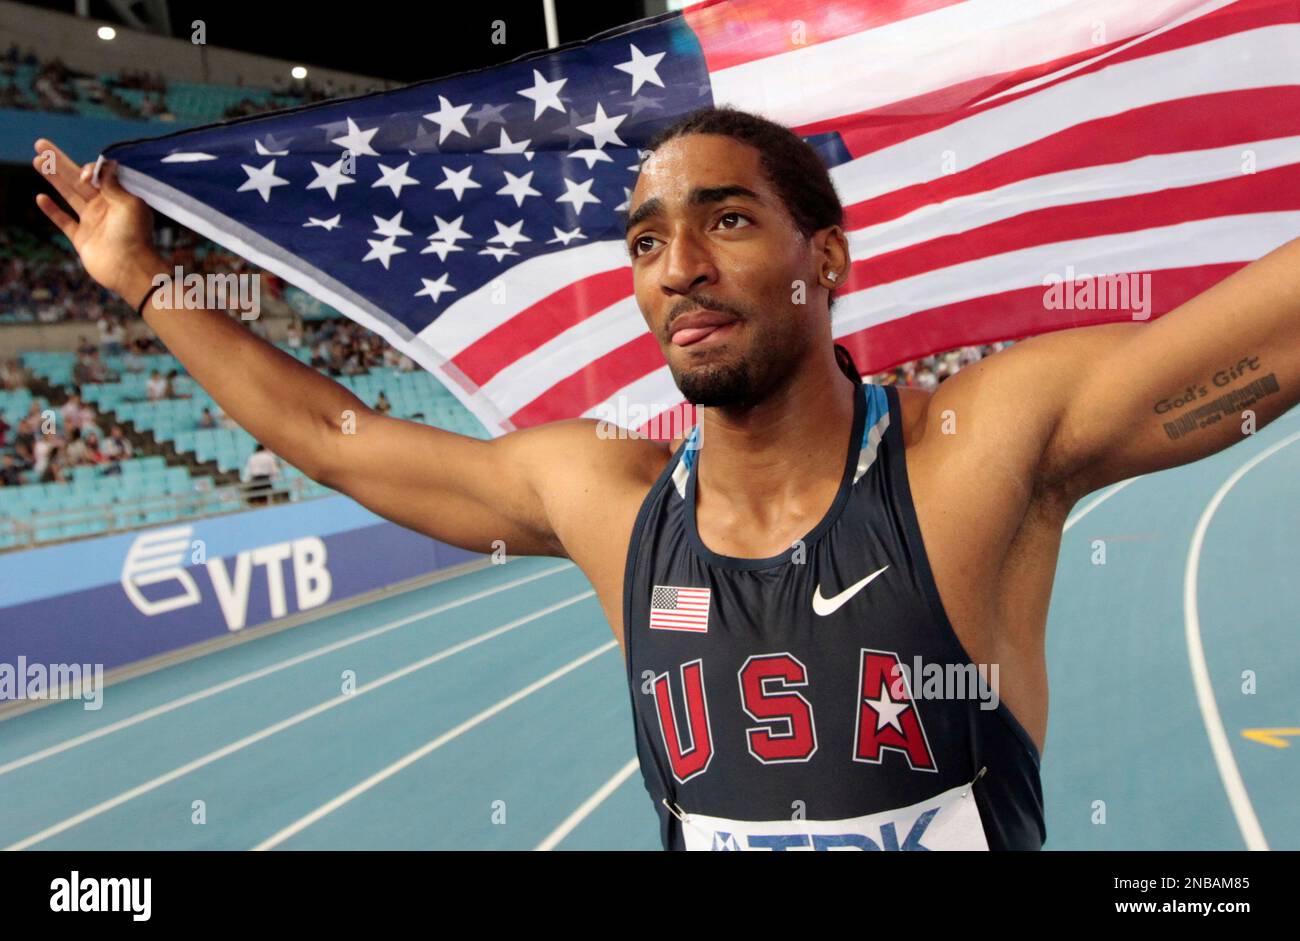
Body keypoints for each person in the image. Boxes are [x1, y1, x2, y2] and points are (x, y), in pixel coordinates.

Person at [30, 114, 1300, 851]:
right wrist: (146, 280)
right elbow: (336, 433)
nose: (677, 263)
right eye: (644, 241)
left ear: (830, 257)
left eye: (728, 220)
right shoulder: (605, 498)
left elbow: (1262, 336)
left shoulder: (974, 453)